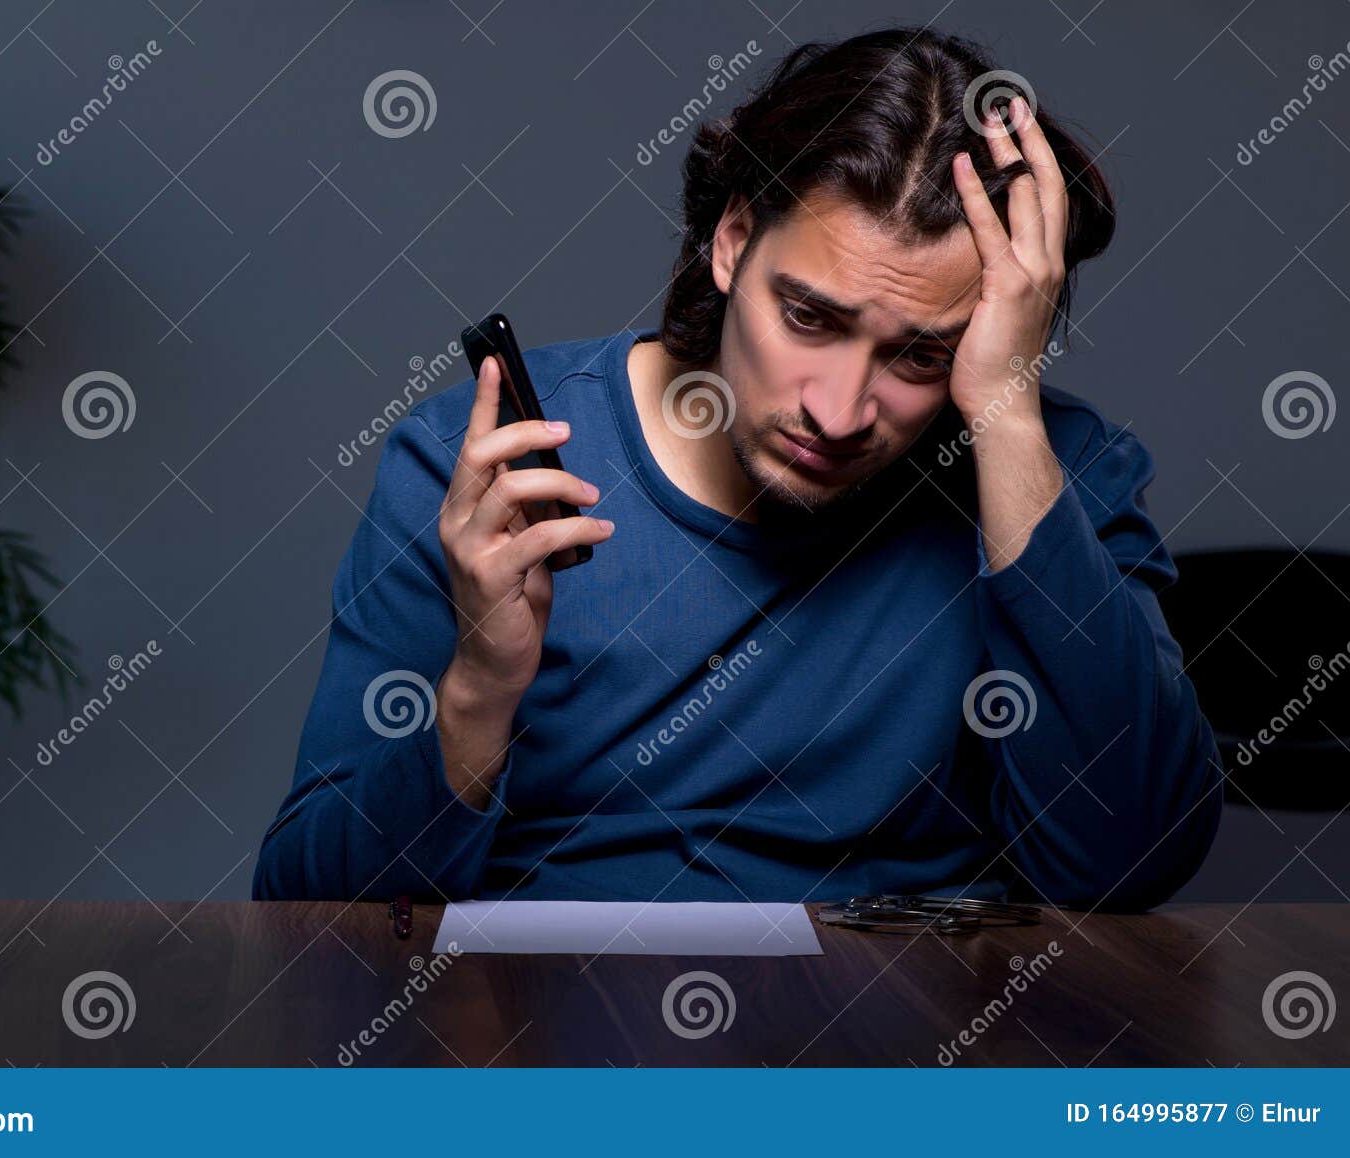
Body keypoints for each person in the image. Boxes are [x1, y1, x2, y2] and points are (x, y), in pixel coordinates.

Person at [251, 27, 1223, 911]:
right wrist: (476, 695)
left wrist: (1006, 419)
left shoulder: (1054, 473)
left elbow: (1129, 863)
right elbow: (304, 905)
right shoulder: (485, 474)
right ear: (729, 242)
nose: (839, 413)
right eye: (809, 317)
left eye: (922, 355)